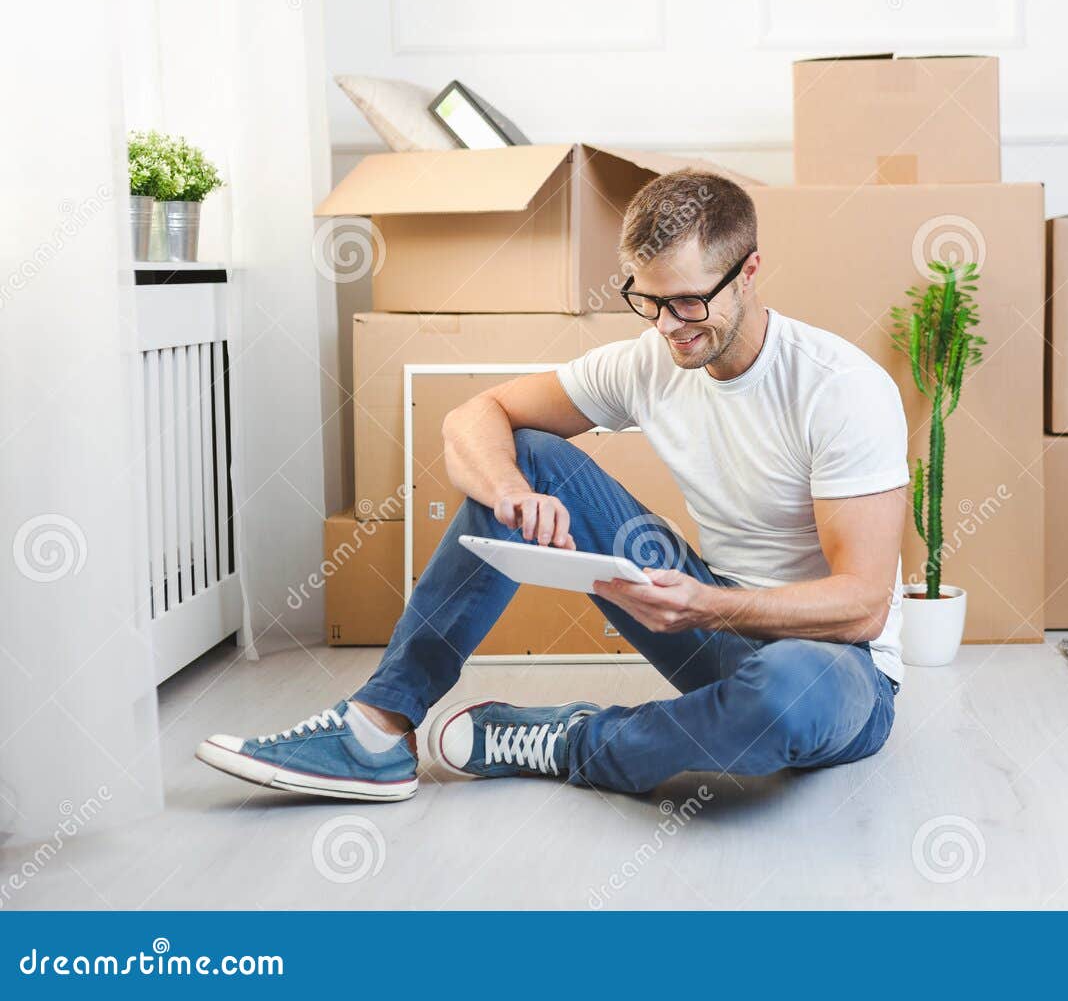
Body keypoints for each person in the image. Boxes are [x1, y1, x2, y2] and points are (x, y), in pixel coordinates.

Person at [196, 170, 909, 801]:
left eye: (689, 302)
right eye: (649, 300)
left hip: (836, 670)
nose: (668, 327)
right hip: (707, 617)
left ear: (749, 271)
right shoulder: (650, 360)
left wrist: (710, 606)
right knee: (526, 452)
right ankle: (376, 731)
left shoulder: (838, 389)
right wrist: (510, 491)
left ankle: (569, 741)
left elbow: (864, 606)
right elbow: (476, 415)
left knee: (784, 696)